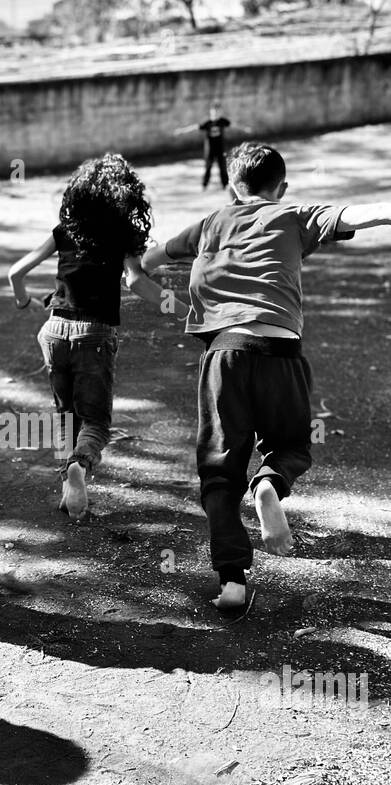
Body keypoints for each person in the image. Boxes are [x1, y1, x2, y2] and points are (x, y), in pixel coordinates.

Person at [125, 140, 390, 611]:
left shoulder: (210, 223)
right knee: (290, 446)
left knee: (219, 472)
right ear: (281, 187)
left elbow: (148, 262)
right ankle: (268, 484)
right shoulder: (293, 214)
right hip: (280, 351)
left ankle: (232, 582)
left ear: (232, 186)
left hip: (223, 356)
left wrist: (135, 271)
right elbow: (360, 214)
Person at [8, 152, 187, 521]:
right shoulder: (123, 236)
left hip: (54, 329)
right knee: (96, 423)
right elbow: (138, 282)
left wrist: (23, 299)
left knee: (65, 416)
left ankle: (68, 485)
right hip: (95, 332)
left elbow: (16, 272)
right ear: (125, 197)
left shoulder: (63, 232)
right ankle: (80, 465)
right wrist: (185, 309)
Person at [173, 101, 249, 189]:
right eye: (214, 112)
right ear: (211, 112)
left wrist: (245, 128)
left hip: (220, 149)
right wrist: (181, 131)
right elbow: (194, 127)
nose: (216, 113)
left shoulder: (222, 121)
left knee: (222, 168)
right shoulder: (207, 123)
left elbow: (234, 125)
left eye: (218, 111)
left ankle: (225, 185)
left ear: (220, 112)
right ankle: (204, 185)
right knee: (208, 168)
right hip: (210, 150)